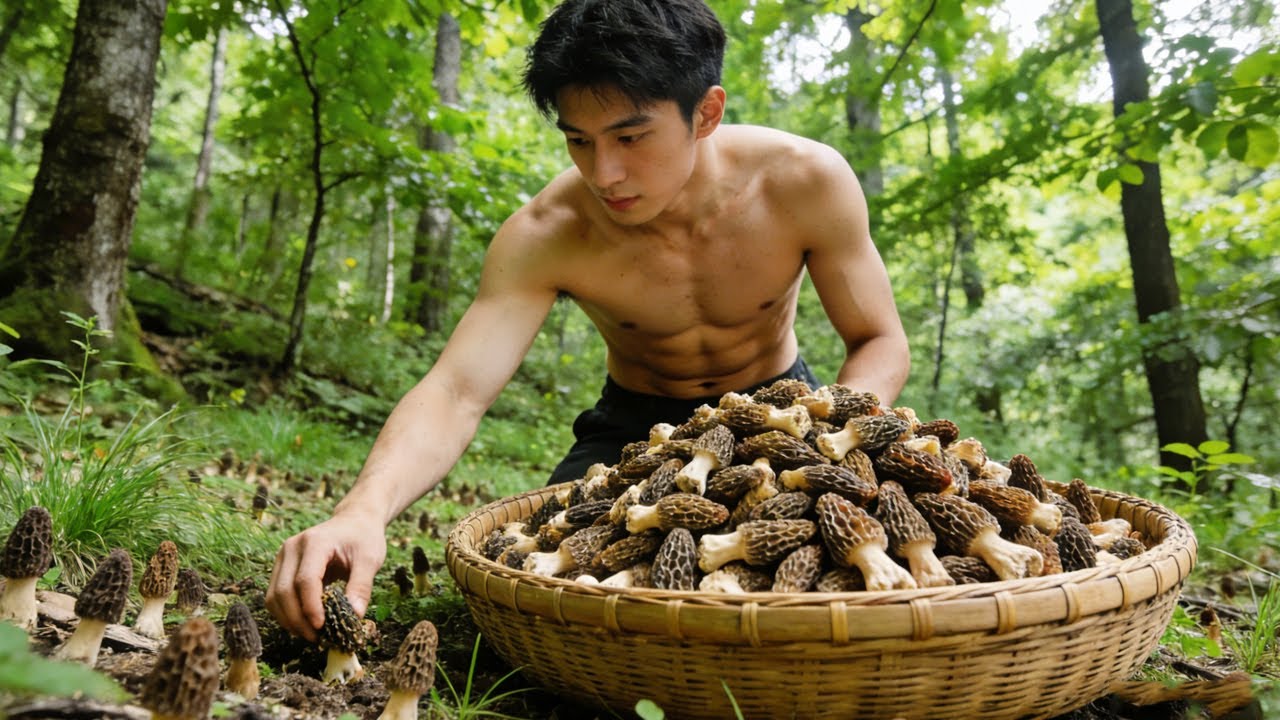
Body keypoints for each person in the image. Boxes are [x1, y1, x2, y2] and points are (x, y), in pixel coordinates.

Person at [266, 0, 910, 641]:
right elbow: (456, 391)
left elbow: (878, 339)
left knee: (839, 586)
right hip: (634, 430)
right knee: (560, 593)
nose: (604, 173)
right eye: (578, 139)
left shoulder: (805, 182)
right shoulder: (548, 233)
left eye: (630, 137)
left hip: (788, 417)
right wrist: (362, 511)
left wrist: (833, 435)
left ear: (705, 113)